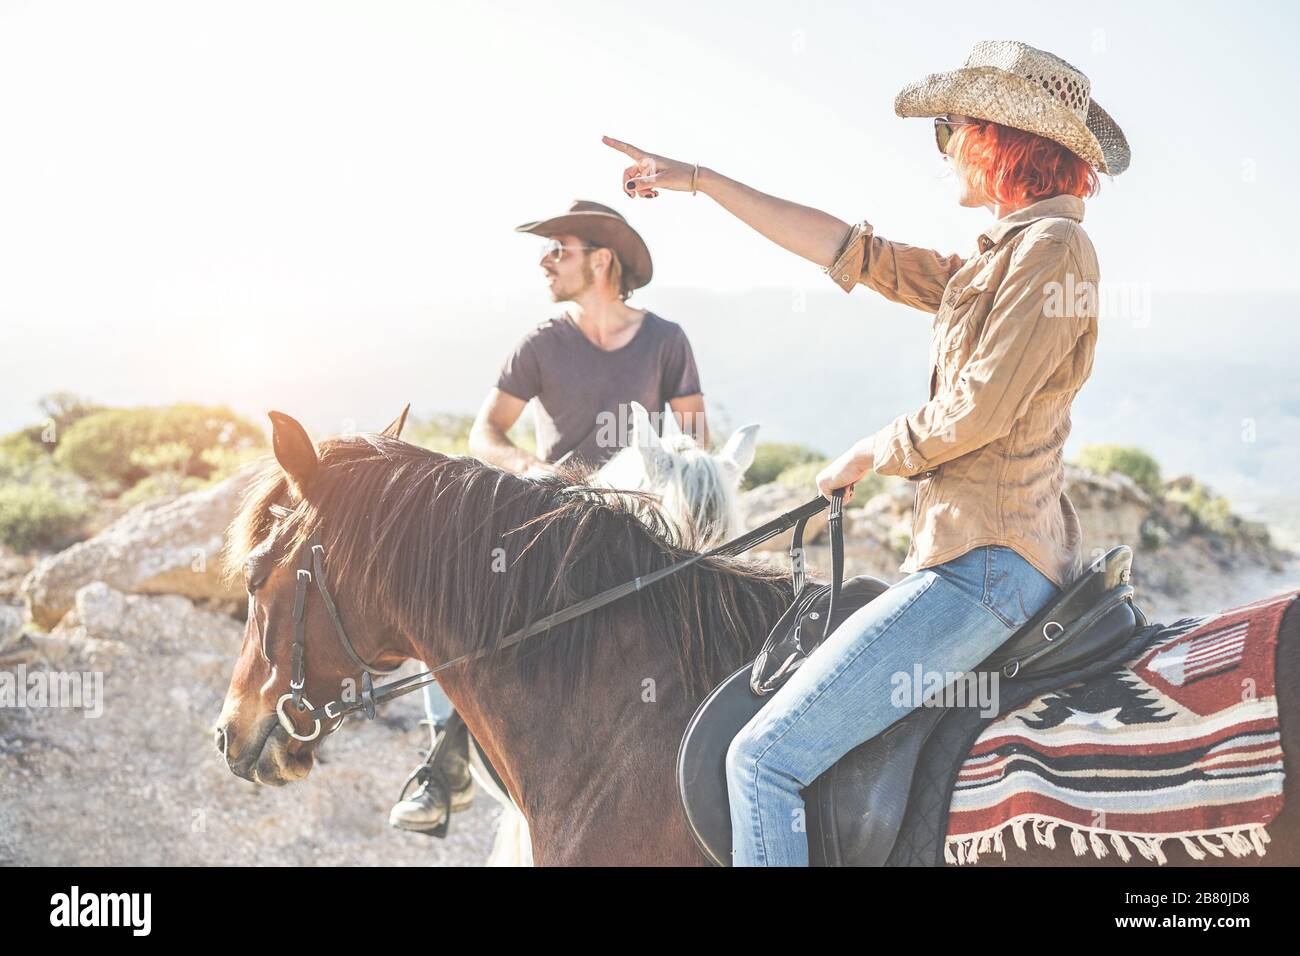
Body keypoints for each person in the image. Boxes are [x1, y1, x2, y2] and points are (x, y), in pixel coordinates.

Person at [603, 40, 1129, 866]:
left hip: (984, 566)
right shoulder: (998, 261)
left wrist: (868, 453)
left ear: (1001, 140)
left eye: (949, 128)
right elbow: (851, 251)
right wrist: (700, 181)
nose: (944, 147)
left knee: (761, 760)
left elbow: (979, 409)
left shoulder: (1053, 253)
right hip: (971, 561)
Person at [389, 199, 710, 835]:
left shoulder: (666, 340)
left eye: (558, 249)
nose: (545, 261)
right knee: (453, 605)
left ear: (601, 260)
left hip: (642, 526)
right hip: (554, 524)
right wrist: (535, 472)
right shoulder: (541, 342)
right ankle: (444, 767)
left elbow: (697, 441)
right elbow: (487, 433)